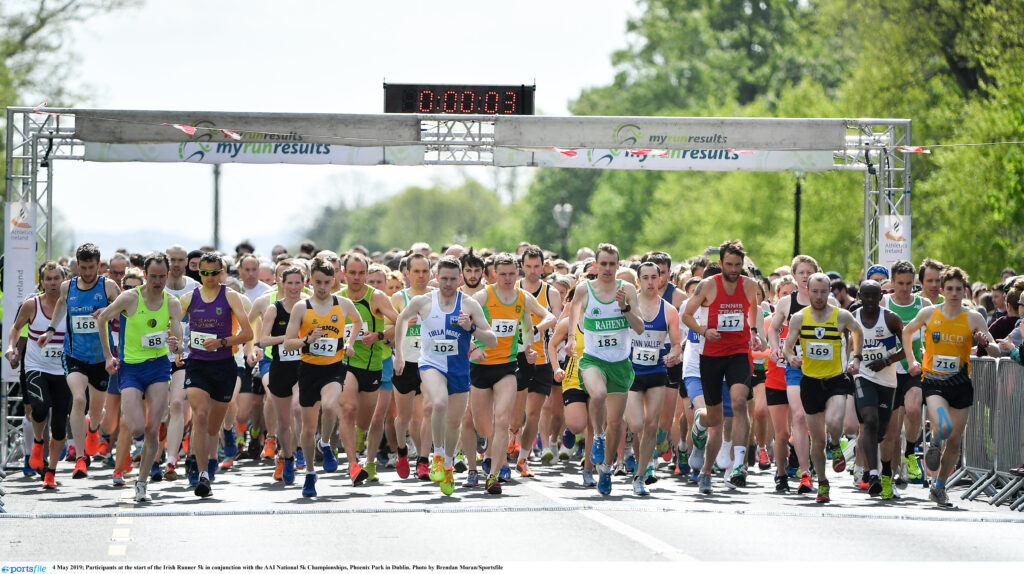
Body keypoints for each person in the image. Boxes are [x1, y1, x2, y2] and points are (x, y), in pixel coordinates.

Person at [394, 255, 497, 496]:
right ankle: (437, 454)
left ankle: (448, 465)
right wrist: (398, 354)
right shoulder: (423, 301)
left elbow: (491, 340)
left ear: (460, 279)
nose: (448, 284)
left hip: (459, 369)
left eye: (453, 279)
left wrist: (470, 328)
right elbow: (400, 320)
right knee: (438, 402)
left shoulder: (469, 305)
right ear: (435, 278)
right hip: (430, 364)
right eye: (443, 279)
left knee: (454, 422)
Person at [902, 266, 1000, 507]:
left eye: (958, 288)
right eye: (949, 288)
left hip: (960, 383)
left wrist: (985, 343)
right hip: (934, 381)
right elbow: (906, 331)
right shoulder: (929, 313)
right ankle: (935, 441)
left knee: (955, 441)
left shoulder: (973, 317)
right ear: (943, 290)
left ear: (964, 290)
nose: (954, 293)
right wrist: (912, 360)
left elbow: (996, 350)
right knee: (944, 428)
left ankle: (940, 486)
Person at [96, 252, 185, 502]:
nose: (158, 281)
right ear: (145, 275)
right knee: (136, 427)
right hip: (131, 368)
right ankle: (130, 456)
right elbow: (102, 318)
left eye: (162, 277)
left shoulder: (172, 302)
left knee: (152, 429)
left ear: (168, 275)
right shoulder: (130, 298)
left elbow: (179, 342)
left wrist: (176, 346)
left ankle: (142, 483)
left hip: (157, 367)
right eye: (154, 276)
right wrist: (107, 356)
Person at [681, 240, 765, 494]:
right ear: (720, 264)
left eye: (738, 265)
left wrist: (752, 332)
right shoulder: (708, 285)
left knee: (740, 403)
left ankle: (739, 465)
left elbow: (753, 308)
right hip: (712, 356)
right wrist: (704, 331)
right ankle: (701, 432)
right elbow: (687, 315)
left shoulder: (750, 286)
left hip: (738, 353)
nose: (733, 269)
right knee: (714, 418)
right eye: (728, 264)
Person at [469, 253, 553, 493]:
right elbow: (461, 323)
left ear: (518, 273)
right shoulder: (483, 296)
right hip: (481, 366)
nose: (507, 278)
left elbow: (549, 316)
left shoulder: (522, 298)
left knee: (502, 420)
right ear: (495, 273)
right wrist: (473, 348)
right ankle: (487, 444)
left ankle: (494, 475)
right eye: (502, 274)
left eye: (511, 273)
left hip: (507, 366)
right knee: (483, 426)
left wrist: (530, 340)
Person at [566, 243, 645, 495]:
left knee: (616, 423)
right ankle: (597, 436)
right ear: (595, 265)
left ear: (618, 265)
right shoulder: (584, 289)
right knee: (597, 395)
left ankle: (606, 470)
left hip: (620, 364)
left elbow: (640, 327)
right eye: (603, 264)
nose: (608, 268)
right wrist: (570, 338)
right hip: (592, 359)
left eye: (612, 264)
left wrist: (625, 308)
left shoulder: (628, 289)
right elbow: (573, 312)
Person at [37, 243, 121, 480]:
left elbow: (125, 309)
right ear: (77, 265)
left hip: (101, 358)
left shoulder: (108, 286)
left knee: (96, 412)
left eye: (91, 267)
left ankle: (93, 430)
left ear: (98, 264)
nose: (86, 272)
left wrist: (106, 310)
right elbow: (62, 305)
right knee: (79, 398)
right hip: (74, 355)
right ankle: (81, 458)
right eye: (82, 267)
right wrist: (51, 330)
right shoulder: (68, 286)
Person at [283, 256, 362, 498]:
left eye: (328, 282)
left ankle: (326, 442)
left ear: (334, 281)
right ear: (311, 281)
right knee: (307, 428)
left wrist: (349, 343)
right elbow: (288, 343)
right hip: (309, 369)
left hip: (334, 367)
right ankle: (309, 473)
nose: (323, 287)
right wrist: (307, 340)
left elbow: (358, 322)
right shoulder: (301, 307)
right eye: (318, 282)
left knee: (330, 407)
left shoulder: (343, 303)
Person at [178, 253, 254, 497]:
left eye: (215, 273)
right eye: (205, 273)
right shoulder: (189, 298)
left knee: (212, 427)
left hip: (224, 365)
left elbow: (248, 334)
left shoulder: (230, 296)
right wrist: (177, 345)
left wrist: (222, 342)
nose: (210, 277)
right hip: (197, 365)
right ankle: (201, 474)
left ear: (222, 272)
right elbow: (174, 326)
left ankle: (210, 459)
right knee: (199, 416)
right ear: (198, 273)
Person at [783, 272, 863, 504]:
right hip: (810, 381)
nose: (819, 296)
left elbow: (858, 331)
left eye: (823, 291)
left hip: (837, 379)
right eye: (814, 291)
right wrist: (791, 358)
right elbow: (788, 346)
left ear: (830, 292)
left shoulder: (841, 316)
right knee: (817, 440)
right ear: (807, 291)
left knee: (835, 423)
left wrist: (856, 358)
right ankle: (823, 483)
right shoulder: (799, 318)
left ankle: (836, 444)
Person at [5, 262, 70, 489]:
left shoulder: (71, 305)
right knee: (39, 409)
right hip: (36, 366)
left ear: (64, 280)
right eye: (48, 279)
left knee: (61, 425)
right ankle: (38, 443)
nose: (53, 283)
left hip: (63, 370)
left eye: (57, 278)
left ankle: (50, 471)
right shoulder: (32, 305)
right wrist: (11, 348)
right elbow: (15, 329)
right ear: (41, 282)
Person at [339, 252, 399, 485]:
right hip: (345, 364)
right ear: (344, 273)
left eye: (361, 273)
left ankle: (360, 435)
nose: (357, 277)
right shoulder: (337, 298)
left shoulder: (377, 298)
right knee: (347, 407)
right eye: (352, 273)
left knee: (364, 421)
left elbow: (400, 321)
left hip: (372, 364)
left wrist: (379, 335)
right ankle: (353, 465)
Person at [626, 262, 682, 495]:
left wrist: (674, 354)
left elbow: (677, 344)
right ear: (638, 281)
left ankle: (641, 475)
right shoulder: (629, 306)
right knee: (637, 424)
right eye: (645, 278)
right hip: (630, 372)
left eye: (654, 277)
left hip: (657, 372)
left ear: (661, 279)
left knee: (651, 425)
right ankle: (638, 460)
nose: (650, 282)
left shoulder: (669, 310)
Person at [768, 254, 820, 493]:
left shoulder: (826, 301)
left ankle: (831, 449)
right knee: (797, 418)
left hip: (823, 370)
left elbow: (844, 330)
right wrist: (777, 347)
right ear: (794, 275)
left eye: (810, 272)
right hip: (795, 367)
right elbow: (773, 328)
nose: (805, 276)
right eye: (801, 272)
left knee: (819, 422)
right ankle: (803, 473)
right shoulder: (787, 303)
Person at [852, 280, 905, 499]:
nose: (871, 301)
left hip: (887, 380)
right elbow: (843, 342)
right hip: (863, 376)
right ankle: (872, 474)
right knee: (869, 421)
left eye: (876, 296)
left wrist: (887, 361)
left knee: (883, 432)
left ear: (881, 296)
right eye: (867, 296)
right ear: (860, 296)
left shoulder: (891, 318)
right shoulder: (852, 318)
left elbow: (907, 348)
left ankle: (885, 475)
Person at [883, 260, 931, 487]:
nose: (904, 288)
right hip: (890, 370)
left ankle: (910, 452)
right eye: (900, 283)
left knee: (913, 409)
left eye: (909, 283)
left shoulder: (924, 304)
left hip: (914, 368)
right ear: (892, 282)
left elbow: (933, 334)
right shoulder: (884, 302)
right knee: (892, 429)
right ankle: (891, 476)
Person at [258, 265, 307, 486]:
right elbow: (263, 340)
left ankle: (298, 451)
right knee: (284, 422)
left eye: (298, 282)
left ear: (304, 283)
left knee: (298, 410)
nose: (294, 287)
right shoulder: (274, 308)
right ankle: (286, 457)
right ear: (282, 284)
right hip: (280, 367)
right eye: (290, 283)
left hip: (304, 366)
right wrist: (288, 339)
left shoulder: (309, 306)